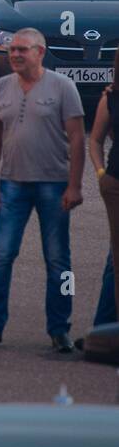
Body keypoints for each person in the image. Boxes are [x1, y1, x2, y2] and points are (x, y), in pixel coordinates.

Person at [0, 28, 86, 353]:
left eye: (22, 50)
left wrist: (75, 185)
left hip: (54, 184)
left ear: (40, 52)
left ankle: (59, 329)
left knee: (58, 260)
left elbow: (78, 138)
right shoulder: (0, 88)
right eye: (12, 50)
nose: (15, 55)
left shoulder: (62, 87)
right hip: (12, 183)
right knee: (0, 256)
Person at [88, 76, 119, 329]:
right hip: (116, 183)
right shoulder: (111, 96)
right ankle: (104, 328)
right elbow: (97, 138)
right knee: (115, 258)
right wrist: (100, 174)